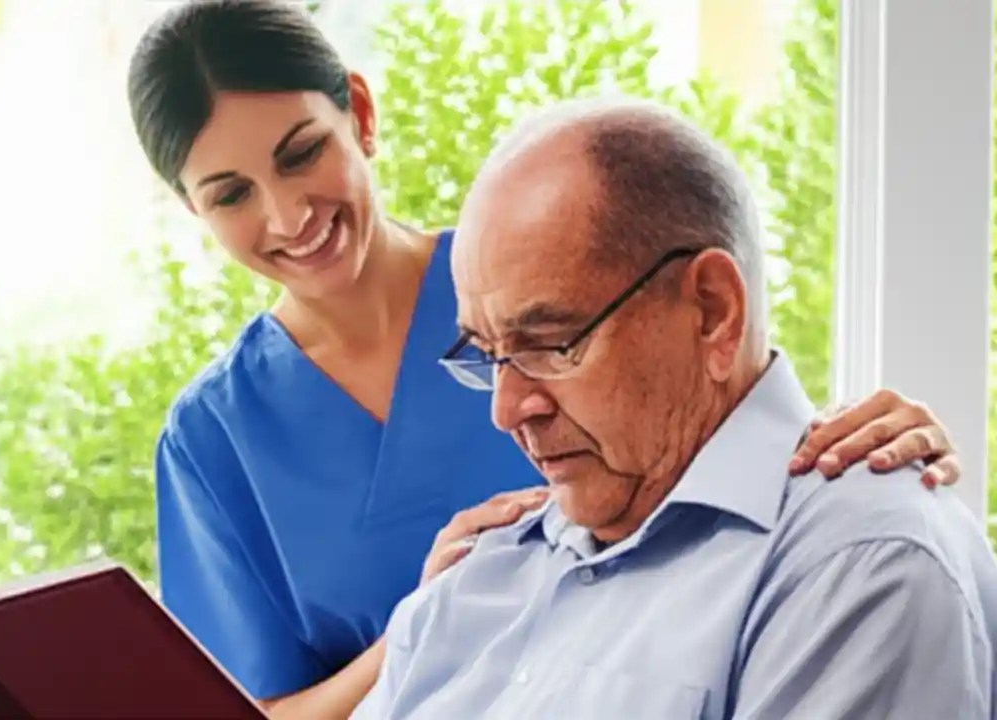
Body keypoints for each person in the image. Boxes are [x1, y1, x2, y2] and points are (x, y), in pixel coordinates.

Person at [125, 1, 964, 716]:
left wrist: (857, 454)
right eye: (230, 194)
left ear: (360, 115)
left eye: (301, 152)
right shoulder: (222, 442)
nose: (285, 213)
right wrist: (420, 622)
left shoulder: (533, 260)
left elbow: (724, 418)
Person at [351, 96, 997, 720]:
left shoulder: (861, 564)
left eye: (550, 343)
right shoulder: (477, 573)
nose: (509, 409)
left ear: (713, 311)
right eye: (488, 352)